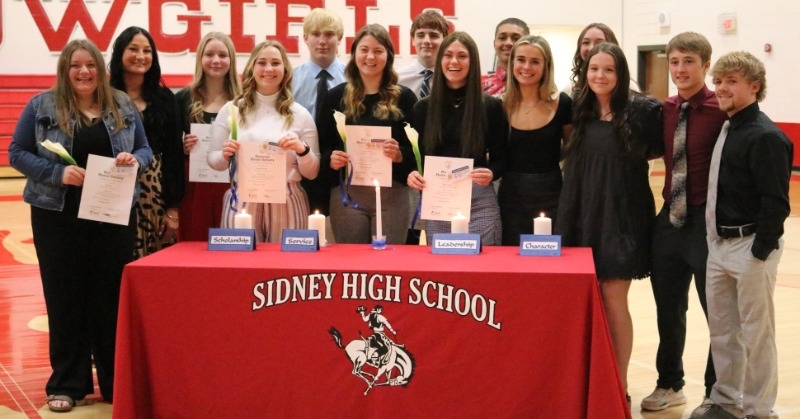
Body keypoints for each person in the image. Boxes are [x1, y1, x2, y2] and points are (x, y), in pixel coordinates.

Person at [8, 39, 152, 411]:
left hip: (112, 214)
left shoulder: (120, 104)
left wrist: (132, 158)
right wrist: (57, 173)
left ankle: (113, 381)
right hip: (57, 216)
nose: (84, 72)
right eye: (76, 66)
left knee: (109, 297)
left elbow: (146, 150)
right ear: (65, 70)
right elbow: (17, 153)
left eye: (90, 65)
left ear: (102, 69)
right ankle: (66, 385)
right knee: (65, 297)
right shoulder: (41, 105)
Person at [555, 43, 662, 401]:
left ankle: (619, 385)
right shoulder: (578, 110)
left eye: (608, 70)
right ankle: (587, 379)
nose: (600, 76)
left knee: (614, 299)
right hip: (580, 211)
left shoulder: (642, 111)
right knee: (585, 300)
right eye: (593, 69)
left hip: (621, 216)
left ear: (621, 74)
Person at [694, 51, 792, 419]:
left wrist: (759, 251)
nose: (721, 88)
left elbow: (776, 203)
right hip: (719, 246)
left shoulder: (766, 137)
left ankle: (759, 410)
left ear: (754, 87)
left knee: (756, 335)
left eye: (731, 81)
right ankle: (725, 400)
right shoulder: (728, 125)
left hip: (750, 247)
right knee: (723, 331)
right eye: (718, 81)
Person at [641, 32, 726, 414]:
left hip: (706, 226)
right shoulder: (664, 109)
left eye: (689, 61)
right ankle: (670, 383)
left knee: (717, 312)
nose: (680, 69)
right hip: (668, 223)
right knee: (668, 309)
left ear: (706, 65)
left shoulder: (721, 107)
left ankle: (715, 390)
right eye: (674, 61)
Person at [207, 41, 320, 242]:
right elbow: (213, 160)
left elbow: (312, 172)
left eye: (275, 63)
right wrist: (224, 155)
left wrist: (303, 151)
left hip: (288, 197)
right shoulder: (231, 110)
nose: (269, 69)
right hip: (241, 197)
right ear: (252, 67)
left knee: (288, 265)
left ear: (285, 69)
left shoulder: (300, 114)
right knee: (239, 266)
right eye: (262, 62)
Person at [317, 24, 417, 244]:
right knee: (351, 264)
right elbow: (322, 149)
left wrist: (400, 155)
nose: (370, 56)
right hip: (348, 195)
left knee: (390, 266)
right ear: (354, 55)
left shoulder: (406, 98)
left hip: (393, 195)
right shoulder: (335, 98)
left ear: (388, 56)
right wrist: (331, 160)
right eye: (364, 49)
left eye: (378, 50)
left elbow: (418, 154)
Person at [407, 32, 508, 245]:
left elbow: (503, 158)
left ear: (473, 61)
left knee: (483, 271)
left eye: (462, 56)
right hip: (439, 202)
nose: (454, 61)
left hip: (479, 202)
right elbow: (413, 157)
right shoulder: (421, 109)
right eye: (448, 55)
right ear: (440, 59)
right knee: (445, 271)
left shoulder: (491, 107)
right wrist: (412, 174)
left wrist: (492, 172)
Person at [109, 26, 184, 258]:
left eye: (147, 50)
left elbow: (173, 155)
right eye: (133, 49)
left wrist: (172, 209)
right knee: (114, 260)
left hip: (154, 193)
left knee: (154, 265)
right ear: (120, 53)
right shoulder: (105, 96)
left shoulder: (165, 99)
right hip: (113, 188)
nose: (140, 56)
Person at [498, 35, 571, 245]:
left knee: (549, 263)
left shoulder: (563, 104)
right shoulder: (500, 106)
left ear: (546, 66)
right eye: (521, 59)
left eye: (535, 61)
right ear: (512, 63)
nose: (526, 67)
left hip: (552, 195)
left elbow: (573, 152)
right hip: (511, 196)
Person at [176, 32, 242, 241]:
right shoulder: (183, 98)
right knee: (195, 243)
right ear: (200, 59)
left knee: (232, 244)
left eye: (223, 55)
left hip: (233, 182)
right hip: (195, 187)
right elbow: (170, 144)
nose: (216, 60)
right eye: (209, 54)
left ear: (231, 60)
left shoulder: (243, 100)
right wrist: (182, 146)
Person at [292, 8, 347, 216]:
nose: (322, 41)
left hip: (338, 166)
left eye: (329, 34)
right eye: (316, 34)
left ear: (339, 38)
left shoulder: (353, 78)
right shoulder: (290, 80)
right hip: (301, 165)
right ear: (305, 38)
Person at [397, 10, 450, 99]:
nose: (426, 41)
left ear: (445, 40)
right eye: (420, 35)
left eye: (433, 35)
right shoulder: (397, 80)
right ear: (413, 40)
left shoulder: (452, 79)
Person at [482, 17, 529, 97]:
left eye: (516, 39)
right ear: (494, 43)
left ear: (528, 45)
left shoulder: (538, 87)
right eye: (502, 38)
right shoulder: (479, 84)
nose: (508, 43)